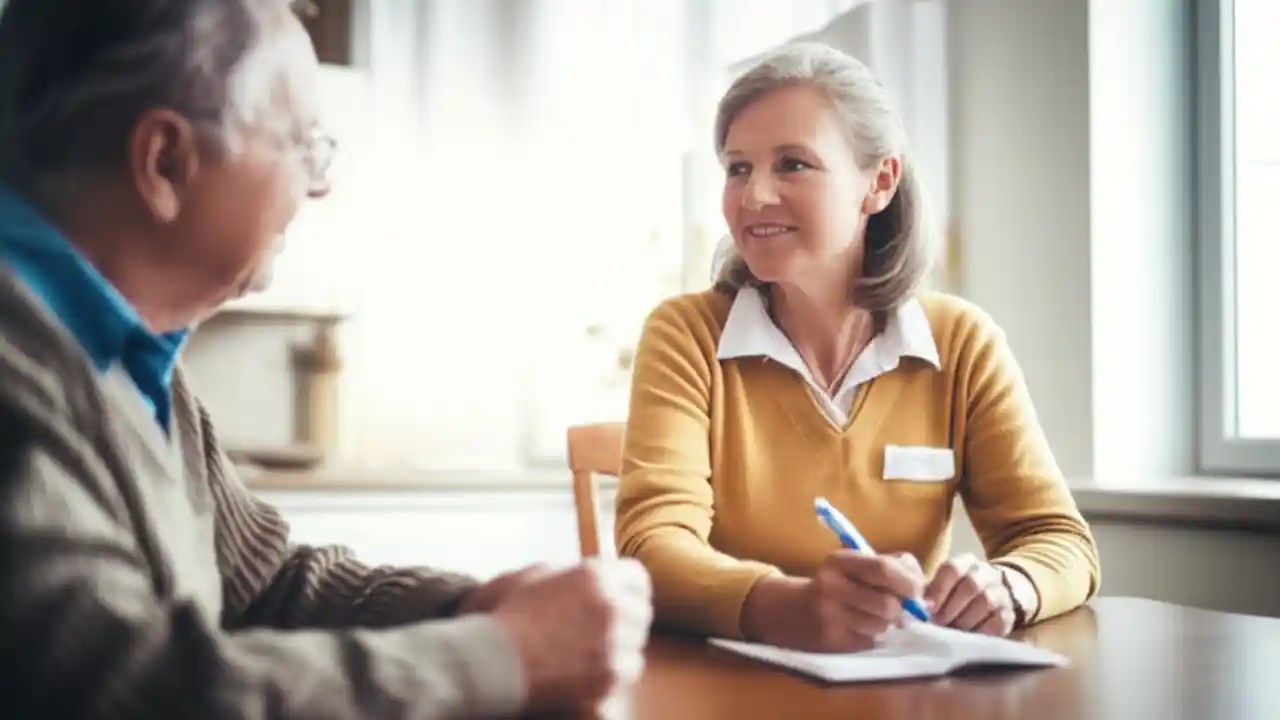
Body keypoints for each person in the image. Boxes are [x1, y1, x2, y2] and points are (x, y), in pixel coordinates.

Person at [0, 1, 651, 717]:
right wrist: (508, 655)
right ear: (166, 160)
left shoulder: (131, 356)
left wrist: (472, 606)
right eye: (305, 143)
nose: (320, 184)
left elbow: (266, 586)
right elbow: (128, 689)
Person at [615, 42, 1099, 653]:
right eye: (738, 167)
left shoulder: (963, 342)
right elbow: (652, 545)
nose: (754, 196)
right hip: (724, 687)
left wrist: (1011, 585)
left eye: (792, 164)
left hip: (903, 686)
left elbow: (1057, 538)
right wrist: (784, 606)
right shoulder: (684, 335)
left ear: (879, 182)